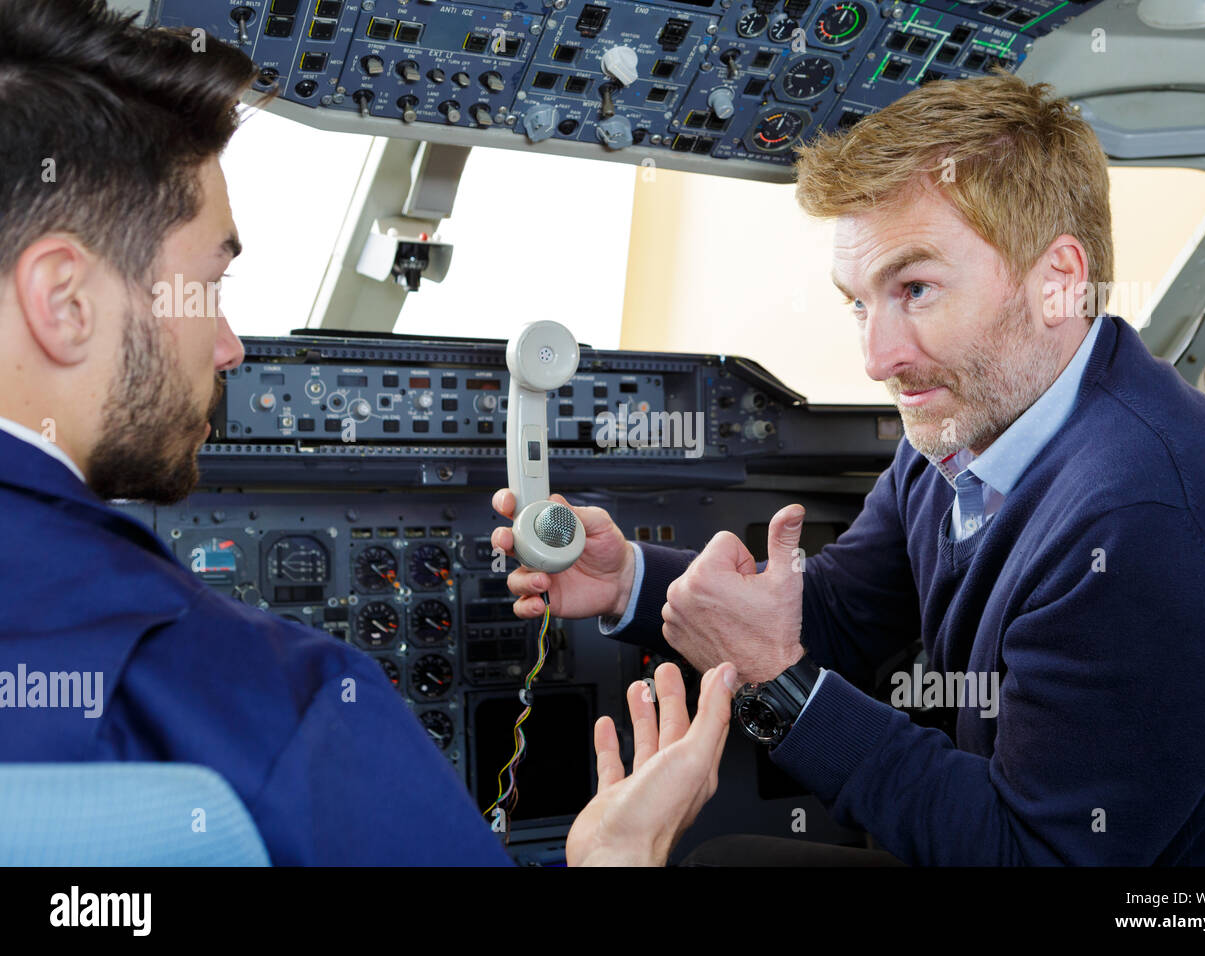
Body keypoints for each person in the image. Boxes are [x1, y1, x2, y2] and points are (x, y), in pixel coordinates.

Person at [492, 73, 1205, 864]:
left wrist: (781, 685)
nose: (878, 358)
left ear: (1059, 282)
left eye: (915, 288)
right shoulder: (966, 428)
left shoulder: (1145, 522)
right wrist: (626, 579)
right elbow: (842, 611)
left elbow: (1034, 853)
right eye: (858, 301)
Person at [0, 0, 735, 867]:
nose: (230, 347)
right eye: (210, 285)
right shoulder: (284, 706)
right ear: (65, 302)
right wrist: (622, 855)